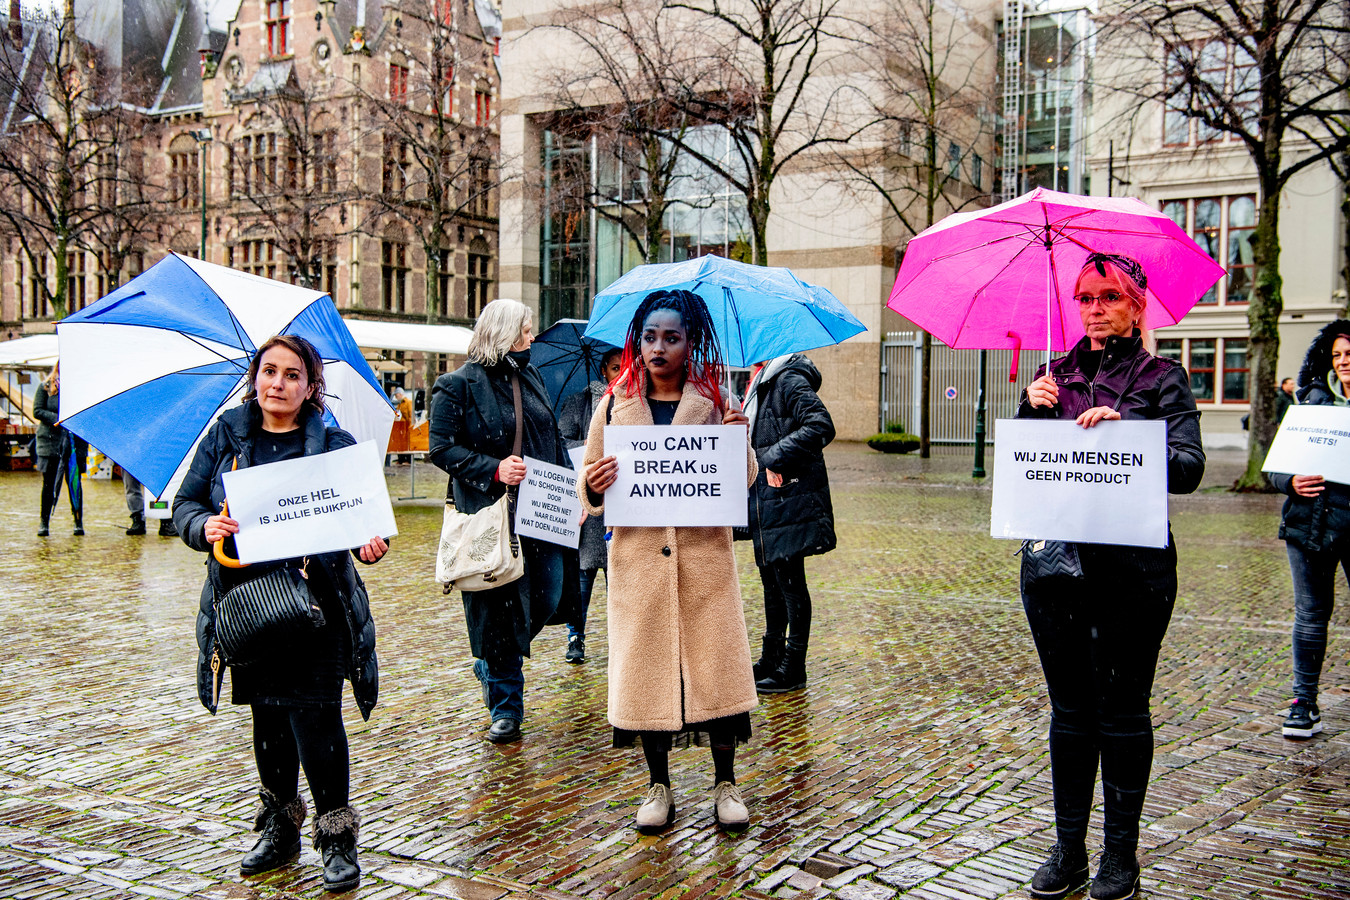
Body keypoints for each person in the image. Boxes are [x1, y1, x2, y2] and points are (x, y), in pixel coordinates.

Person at [1017, 252, 1204, 900]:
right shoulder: (1054, 375)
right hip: (1056, 572)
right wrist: (1030, 408)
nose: (1094, 309)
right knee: (1070, 712)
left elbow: (1188, 466)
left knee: (1123, 711)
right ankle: (1069, 848)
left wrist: (1133, 435)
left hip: (1134, 573)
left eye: (1108, 297)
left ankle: (1119, 857)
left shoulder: (1163, 378)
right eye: (1085, 297)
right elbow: (1026, 473)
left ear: (1134, 304)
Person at [173, 334, 385, 894]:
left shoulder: (333, 443)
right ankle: (279, 827)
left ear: (311, 385)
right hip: (249, 602)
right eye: (270, 371)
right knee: (267, 717)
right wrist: (204, 527)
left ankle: (337, 837)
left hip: (317, 606)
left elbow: (362, 519)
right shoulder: (228, 436)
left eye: (293, 375)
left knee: (315, 717)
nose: (279, 383)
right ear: (255, 377)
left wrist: (368, 541)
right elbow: (185, 507)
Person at [582, 289, 759, 834]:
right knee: (649, 679)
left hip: (704, 566)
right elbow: (586, 486)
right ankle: (657, 785)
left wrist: (737, 441)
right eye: (650, 337)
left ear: (690, 343)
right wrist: (593, 484)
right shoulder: (615, 403)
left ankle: (725, 784)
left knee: (715, 676)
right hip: (639, 565)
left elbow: (744, 480)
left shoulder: (714, 399)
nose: (658, 347)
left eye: (672, 337)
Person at [428, 298, 578, 745]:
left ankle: (491, 665)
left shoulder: (529, 376)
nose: (531, 339)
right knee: (497, 612)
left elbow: (548, 436)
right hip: (491, 515)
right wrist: (494, 468)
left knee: (548, 597)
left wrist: (571, 489)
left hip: (541, 511)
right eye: (526, 331)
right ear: (505, 333)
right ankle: (506, 705)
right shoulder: (456, 385)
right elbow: (441, 449)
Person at [1268, 320, 1350, 740]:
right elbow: (1277, 464)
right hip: (1310, 522)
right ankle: (1304, 701)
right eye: (1337, 355)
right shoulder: (1311, 403)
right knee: (1312, 615)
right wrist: (1290, 481)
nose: (1344, 361)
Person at [743, 353, 836, 693]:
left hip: (788, 497)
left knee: (790, 583)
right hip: (767, 498)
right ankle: (772, 657)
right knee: (772, 580)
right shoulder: (763, 381)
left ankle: (794, 666)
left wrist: (771, 456)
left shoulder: (787, 379)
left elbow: (820, 425)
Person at [557, 347, 624, 664]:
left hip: (622, 505)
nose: (621, 372)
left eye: (626, 366)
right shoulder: (581, 401)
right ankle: (575, 637)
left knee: (620, 582)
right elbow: (560, 440)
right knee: (581, 581)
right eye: (615, 367)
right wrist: (589, 449)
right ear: (603, 370)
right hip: (587, 503)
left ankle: (620, 642)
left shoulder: (637, 401)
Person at [33, 363, 86, 537]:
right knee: (48, 484)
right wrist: (58, 419)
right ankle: (44, 522)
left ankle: (78, 522)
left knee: (74, 484)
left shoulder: (79, 388)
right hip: (50, 443)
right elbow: (37, 410)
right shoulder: (46, 386)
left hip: (72, 445)